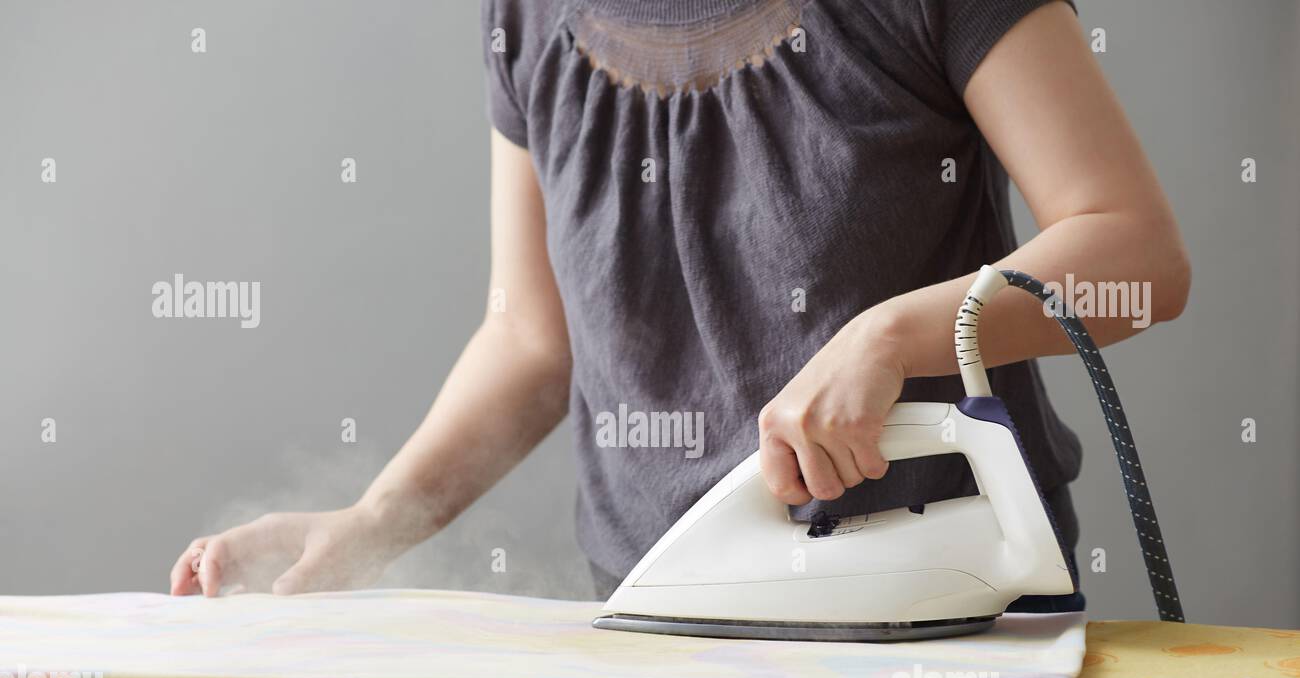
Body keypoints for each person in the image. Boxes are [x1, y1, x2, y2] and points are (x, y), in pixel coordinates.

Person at [170, 0, 1188, 605]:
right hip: (657, 625)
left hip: (942, 621)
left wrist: (893, 335)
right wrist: (372, 521)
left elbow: (1135, 251)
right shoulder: (527, 15)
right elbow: (533, 337)